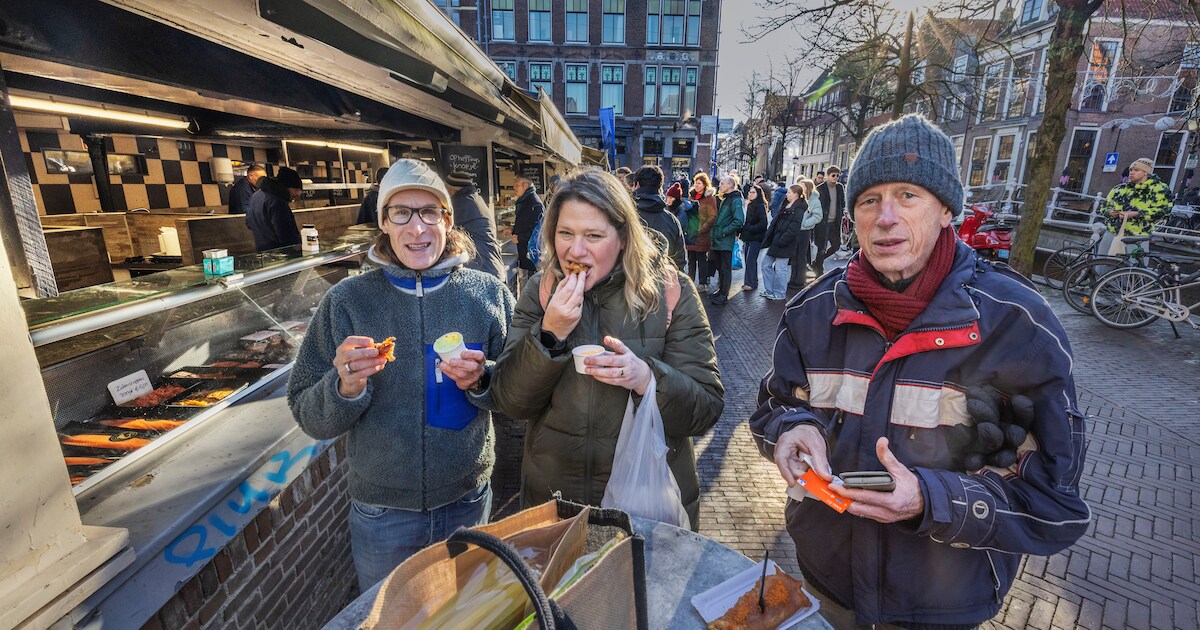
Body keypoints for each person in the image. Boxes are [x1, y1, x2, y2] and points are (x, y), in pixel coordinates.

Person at [748, 115, 1089, 628]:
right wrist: (790, 429)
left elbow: (1052, 504)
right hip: (825, 583)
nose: (885, 217)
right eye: (869, 199)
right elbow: (774, 404)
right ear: (853, 215)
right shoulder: (811, 312)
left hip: (944, 605)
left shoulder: (1018, 325)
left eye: (908, 195)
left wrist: (932, 500)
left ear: (946, 210)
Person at [288, 159, 514, 592]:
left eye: (430, 212)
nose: (417, 228)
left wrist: (483, 380)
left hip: (467, 501)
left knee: (466, 616)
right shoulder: (347, 301)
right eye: (402, 213)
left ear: (447, 220)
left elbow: (515, 395)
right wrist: (344, 387)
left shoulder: (487, 295)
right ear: (384, 224)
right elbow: (310, 416)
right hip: (382, 512)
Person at [489, 168, 724, 530]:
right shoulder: (541, 289)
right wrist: (549, 335)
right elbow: (511, 401)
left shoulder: (670, 291)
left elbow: (705, 408)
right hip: (554, 506)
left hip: (643, 510)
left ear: (624, 237)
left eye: (594, 236)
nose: (576, 250)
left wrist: (647, 379)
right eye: (565, 233)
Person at [1099, 157, 1172, 254]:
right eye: (1131, 170)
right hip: (1112, 232)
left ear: (1145, 172)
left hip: (1137, 236)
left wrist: (1137, 214)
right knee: (1101, 263)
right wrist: (1110, 212)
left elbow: (1163, 211)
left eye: (1136, 170)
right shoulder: (1119, 189)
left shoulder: (1159, 189)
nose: (1131, 172)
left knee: (1133, 267)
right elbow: (1104, 207)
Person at [445, 170, 505, 281]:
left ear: (453, 190)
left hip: (483, 271)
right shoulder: (475, 198)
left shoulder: (460, 203)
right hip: (492, 267)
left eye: (446, 189)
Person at [632, 165, 688, 269]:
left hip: (629, 281)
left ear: (637, 185)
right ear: (660, 187)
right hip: (663, 280)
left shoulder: (623, 216)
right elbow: (679, 262)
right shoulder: (672, 220)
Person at [759, 184, 807, 300]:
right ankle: (770, 290)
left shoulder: (799, 209)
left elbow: (794, 228)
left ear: (795, 194)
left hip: (785, 242)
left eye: (789, 192)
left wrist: (782, 240)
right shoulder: (786, 204)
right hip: (777, 240)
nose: (787, 194)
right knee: (766, 265)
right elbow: (776, 221)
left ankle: (779, 293)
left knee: (781, 269)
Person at [245, 166, 304, 252]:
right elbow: (285, 235)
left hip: (262, 252)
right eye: (296, 189)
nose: (298, 193)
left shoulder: (255, 196)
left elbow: (249, 223)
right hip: (281, 254)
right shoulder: (277, 201)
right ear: (285, 187)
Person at [708, 175, 745, 305]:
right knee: (720, 266)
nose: (720, 185)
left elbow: (739, 220)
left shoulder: (735, 200)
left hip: (724, 240)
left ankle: (724, 295)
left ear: (730, 185)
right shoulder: (726, 199)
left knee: (725, 268)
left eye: (723, 183)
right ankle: (721, 291)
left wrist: (724, 232)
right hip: (719, 239)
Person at [786, 178, 824, 295]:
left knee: (801, 256)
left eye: (803, 186)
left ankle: (799, 281)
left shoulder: (814, 200)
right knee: (794, 255)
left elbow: (818, 216)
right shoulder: (799, 199)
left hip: (804, 231)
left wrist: (805, 224)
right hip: (795, 230)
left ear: (808, 188)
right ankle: (793, 279)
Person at [685, 173, 718, 291]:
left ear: (705, 185)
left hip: (702, 234)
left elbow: (712, 216)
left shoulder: (710, 199)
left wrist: (702, 229)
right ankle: (690, 281)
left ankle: (703, 283)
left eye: (699, 183)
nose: (696, 185)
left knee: (701, 259)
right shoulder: (692, 196)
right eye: (695, 183)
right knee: (691, 259)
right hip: (691, 233)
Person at [812, 165, 846, 275]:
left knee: (836, 246)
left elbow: (842, 202)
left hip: (835, 223)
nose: (836, 177)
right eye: (833, 175)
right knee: (821, 247)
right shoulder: (820, 188)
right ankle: (819, 271)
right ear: (828, 176)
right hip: (823, 223)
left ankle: (817, 262)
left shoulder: (840, 187)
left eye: (837, 175)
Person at [513, 173, 545, 277]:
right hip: (524, 253)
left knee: (530, 288)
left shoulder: (534, 204)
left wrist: (519, 238)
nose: (514, 188)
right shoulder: (525, 201)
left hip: (531, 256)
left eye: (517, 185)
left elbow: (539, 232)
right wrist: (512, 229)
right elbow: (525, 224)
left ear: (525, 186)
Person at [740, 184, 768, 293]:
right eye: (750, 192)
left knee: (750, 260)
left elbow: (763, 223)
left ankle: (749, 283)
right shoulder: (750, 204)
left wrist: (750, 228)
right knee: (749, 260)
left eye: (753, 192)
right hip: (749, 237)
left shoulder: (760, 206)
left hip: (756, 237)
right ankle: (752, 281)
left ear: (758, 194)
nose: (750, 194)